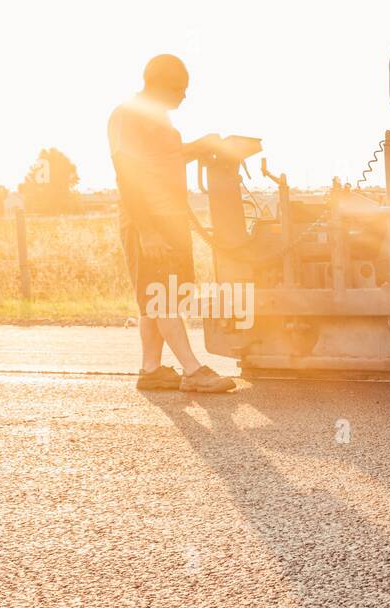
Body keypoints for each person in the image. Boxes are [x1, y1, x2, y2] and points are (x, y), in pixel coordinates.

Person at [108, 54, 236, 393]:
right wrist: (147, 231)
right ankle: (193, 371)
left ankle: (151, 370)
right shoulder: (127, 116)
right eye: (179, 88)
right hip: (150, 220)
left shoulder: (159, 120)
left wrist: (200, 146)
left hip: (170, 217)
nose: (184, 95)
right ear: (157, 84)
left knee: (157, 298)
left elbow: (163, 160)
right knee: (162, 295)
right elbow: (128, 173)